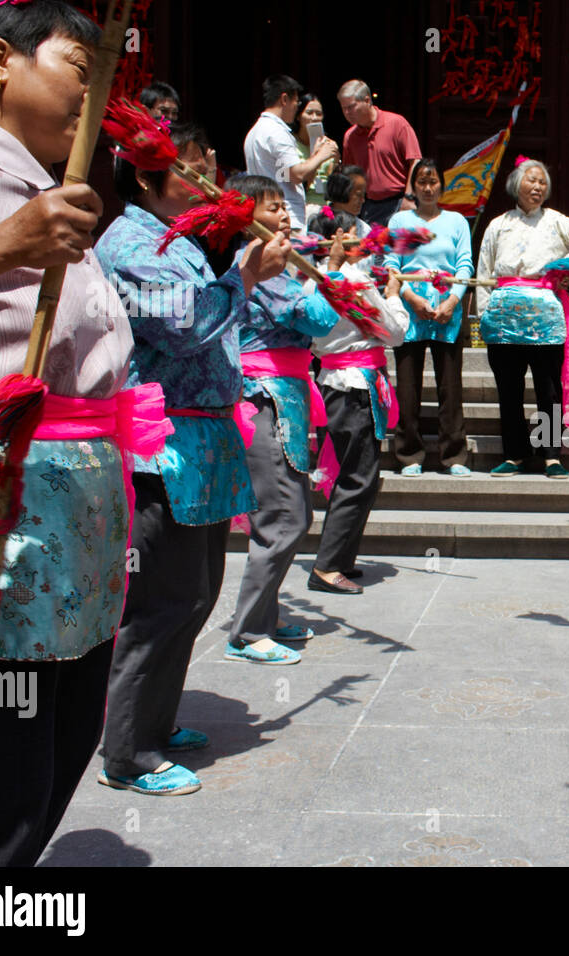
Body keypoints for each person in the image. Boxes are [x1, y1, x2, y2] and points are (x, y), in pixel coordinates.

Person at [0, 0, 146, 864]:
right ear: (0, 60)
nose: (92, 97)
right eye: (78, 70)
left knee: (63, 739)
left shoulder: (68, 190)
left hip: (78, 504)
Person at [95, 123, 288, 796]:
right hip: (163, 445)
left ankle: (157, 719)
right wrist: (243, 277)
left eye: (210, 169)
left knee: (196, 595)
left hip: (203, 439)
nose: (208, 184)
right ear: (147, 177)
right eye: (194, 171)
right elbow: (181, 328)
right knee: (160, 602)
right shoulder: (128, 243)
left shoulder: (174, 240)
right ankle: (129, 750)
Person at [225, 174, 340, 663]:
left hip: (286, 395)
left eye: (285, 209)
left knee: (293, 514)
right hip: (264, 396)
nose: (286, 218)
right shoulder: (256, 267)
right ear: (245, 216)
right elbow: (317, 319)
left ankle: (263, 617)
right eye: (273, 210)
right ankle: (247, 632)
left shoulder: (277, 268)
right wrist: (330, 272)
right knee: (282, 517)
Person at [475, 158, 569, 479]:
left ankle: (551, 456)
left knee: (549, 391)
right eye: (531, 181)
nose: (537, 187)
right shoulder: (498, 224)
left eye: (542, 182)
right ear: (516, 184)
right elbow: (484, 272)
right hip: (503, 320)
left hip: (546, 319)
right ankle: (514, 455)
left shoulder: (556, 220)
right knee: (509, 391)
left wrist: (566, 268)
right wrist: (485, 316)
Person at [306, 213, 410, 593]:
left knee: (355, 474)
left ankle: (341, 558)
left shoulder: (312, 276)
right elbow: (394, 333)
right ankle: (328, 565)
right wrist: (395, 296)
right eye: (355, 237)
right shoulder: (352, 280)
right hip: (352, 385)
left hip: (334, 382)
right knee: (358, 476)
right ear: (338, 239)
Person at [383, 159, 474, 477]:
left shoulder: (457, 221)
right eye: (421, 181)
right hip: (410, 307)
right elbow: (391, 264)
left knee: (451, 386)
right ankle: (409, 454)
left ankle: (454, 455)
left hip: (448, 307)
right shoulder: (399, 220)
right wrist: (410, 298)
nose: (427, 187)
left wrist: (452, 299)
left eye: (433, 181)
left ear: (442, 185)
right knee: (407, 386)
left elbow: (465, 264)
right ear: (413, 186)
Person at [244, 74, 338, 234]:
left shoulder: (256, 130)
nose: (296, 108)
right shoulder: (277, 132)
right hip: (286, 219)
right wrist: (323, 154)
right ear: (284, 99)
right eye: (296, 102)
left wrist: (314, 155)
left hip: (268, 215)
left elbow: (286, 174)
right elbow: (296, 175)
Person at [338, 79, 421, 225]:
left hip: (399, 201)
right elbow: (350, 174)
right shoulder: (350, 136)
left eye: (351, 107)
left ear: (367, 100)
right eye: (343, 108)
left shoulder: (397, 124)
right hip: (368, 207)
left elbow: (415, 161)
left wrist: (409, 197)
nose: (347, 113)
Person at [293, 93, 336, 211]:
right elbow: (299, 181)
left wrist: (337, 160)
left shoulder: (328, 144)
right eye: (309, 113)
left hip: (326, 206)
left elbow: (333, 180)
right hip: (303, 205)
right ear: (298, 116)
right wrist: (316, 155)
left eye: (319, 114)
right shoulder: (291, 144)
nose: (314, 118)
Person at [320, 164, 373, 241]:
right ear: (340, 192)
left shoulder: (364, 229)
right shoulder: (318, 221)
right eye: (358, 195)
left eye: (363, 195)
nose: (363, 200)